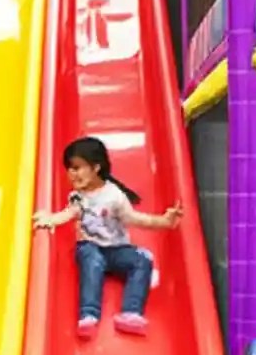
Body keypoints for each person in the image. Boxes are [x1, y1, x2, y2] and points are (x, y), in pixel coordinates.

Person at [32, 137, 182, 337]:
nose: (72, 174)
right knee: (92, 262)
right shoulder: (78, 196)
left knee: (143, 259)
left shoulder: (114, 196)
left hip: (116, 249)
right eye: (69, 169)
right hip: (90, 246)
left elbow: (133, 218)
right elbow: (69, 213)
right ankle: (89, 314)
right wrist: (50, 219)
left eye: (77, 168)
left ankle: (131, 312)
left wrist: (164, 221)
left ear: (96, 167)